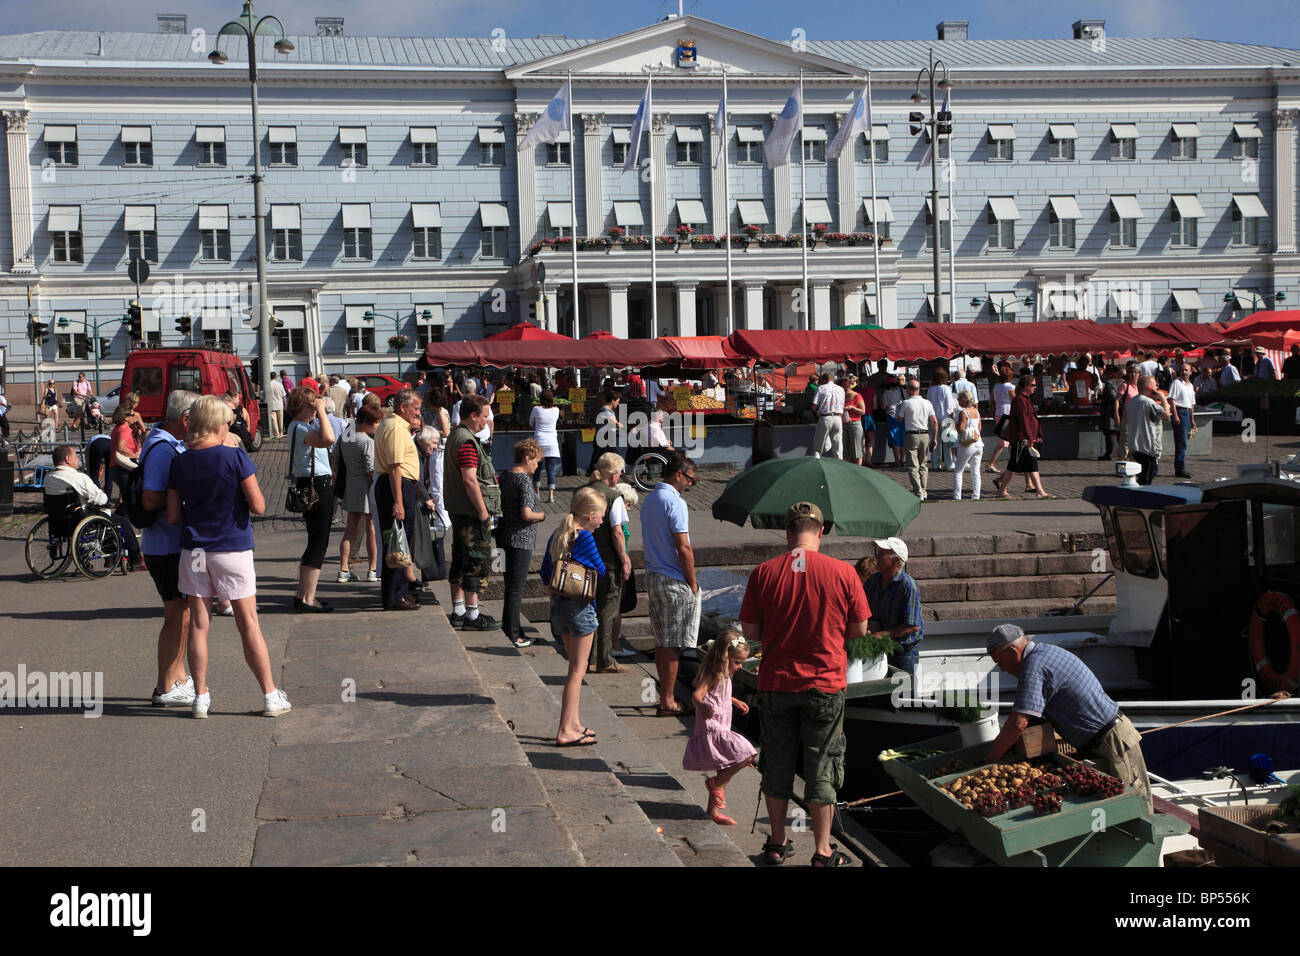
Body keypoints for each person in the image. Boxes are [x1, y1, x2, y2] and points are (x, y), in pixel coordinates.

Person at [738, 502, 870, 867]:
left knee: (777, 763)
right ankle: (823, 851)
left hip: (776, 682)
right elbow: (859, 630)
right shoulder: (844, 573)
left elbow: (750, 633)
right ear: (821, 531)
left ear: (787, 532)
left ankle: (777, 844)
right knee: (822, 765)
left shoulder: (763, 573)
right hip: (825, 684)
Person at [165, 395, 288, 719]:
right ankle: (270, 695)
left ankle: (201, 697)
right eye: (225, 422)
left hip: (194, 550)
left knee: (199, 626)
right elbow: (260, 505)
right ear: (216, 425)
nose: (228, 427)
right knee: (249, 625)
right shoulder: (235, 457)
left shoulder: (179, 462)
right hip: (231, 547)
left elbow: (173, 515)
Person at [984, 624, 1152, 812]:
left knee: (1134, 809)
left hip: (1113, 743)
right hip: (1103, 741)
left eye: (1000, 663)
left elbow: (1018, 722)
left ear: (1013, 651)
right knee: (1116, 808)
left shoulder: (1034, 668)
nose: (1003, 669)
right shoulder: (1047, 651)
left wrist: (991, 760)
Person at [139, 391, 202, 707]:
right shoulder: (163, 448)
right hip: (163, 544)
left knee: (183, 615)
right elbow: (151, 497)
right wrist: (185, 496)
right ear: (186, 419)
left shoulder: (166, 443)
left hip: (168, 543)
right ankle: (165, 685)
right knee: (177, 615)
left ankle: (176, 678)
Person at [539, 486, 608, 747]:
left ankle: (574, 723)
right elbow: (600, 569)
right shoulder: (585, 538)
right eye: (601, 515)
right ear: (590, 514)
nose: (602, 520)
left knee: (573, 669)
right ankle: (566, 730)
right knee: (578, 672)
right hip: (579, 608)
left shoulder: (559, 533)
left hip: (558, 607)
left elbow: (546, 572)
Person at [641, 452, 699, 717]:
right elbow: (683, 546)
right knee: (673, 643)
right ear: (678, 475)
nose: (691, 484)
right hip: (673, 579)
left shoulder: (651, 498)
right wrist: (693, 582)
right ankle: (668, 700)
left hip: (653, 575)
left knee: (662, 641)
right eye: (689, 479)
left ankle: (665, 695)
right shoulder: (675, 502)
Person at [684, 628, 757, 826]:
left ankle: (712, 811)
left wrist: (733, 700)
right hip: (713, 727)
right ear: (725, 657)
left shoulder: (725, 674)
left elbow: (720, 693)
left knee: (723, 766)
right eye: (738, 662)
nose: (740, 667)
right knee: (747, 753)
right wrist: (702, 706)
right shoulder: (713, 673)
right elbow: (696, 696)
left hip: (721, 725)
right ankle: (715, 784)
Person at [445, 394, 500, 630]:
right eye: (485, 416)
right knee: (475, 561)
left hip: (458, 508)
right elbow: (469, 479)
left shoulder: (455, 436)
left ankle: (458, 610)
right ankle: (472, 615)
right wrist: (482, 511)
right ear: (473, 415)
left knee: (459, 559)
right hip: (470, 511)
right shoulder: (467, 441)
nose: (487, 421)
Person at [43, 443, 144, 570]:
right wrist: (101, 496)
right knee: (120, 521)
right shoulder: (78, 477)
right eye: (75, 456)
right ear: (68, 459)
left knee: (103, 519)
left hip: (58, 522)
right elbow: (101, 499)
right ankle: (137, 560)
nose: (78, 459)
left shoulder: (48, 478)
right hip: (81, 520)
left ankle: (111, 557)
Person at [285, 385, 337, 612]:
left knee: (315, 541)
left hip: (312, 484)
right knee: (318, 543)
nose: (315, 408)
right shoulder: (300, 428)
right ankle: (308, 598)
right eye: (311, 405)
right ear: (301, 407)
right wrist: (323, 411)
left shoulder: (298, 427)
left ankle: (302, 594)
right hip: (317, 486)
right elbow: (328, 438)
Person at [580, 452, 633, 674]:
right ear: (613, 475)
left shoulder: (582, 491)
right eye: (619, 472)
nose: (620, 476)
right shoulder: (614, 497)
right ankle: (604, 659)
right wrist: (625, 560)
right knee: (607, 611)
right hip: (608, 562)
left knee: (588, 608)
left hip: (584, 560)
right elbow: (617, 533)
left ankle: (588, 657)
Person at [374, 388, 424, 612]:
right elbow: (395, 466)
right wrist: (399, 501)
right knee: (397, 541)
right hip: (397, 486)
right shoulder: (395, 427)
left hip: (398, 485)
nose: (418, 413)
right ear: (403, 407)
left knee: (399, 540)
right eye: (415, 409)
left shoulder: (396, 424)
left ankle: (400, 592)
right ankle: (395, 596)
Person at [499, 438, 546, 647]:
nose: (536, 466)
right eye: (536, 462)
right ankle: (514, 633)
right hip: (521, 540)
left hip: (503, 537)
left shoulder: (505, 476)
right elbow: (527, 514)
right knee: (517, 588)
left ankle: (508, 626)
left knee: (509, 586)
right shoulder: (524, 481)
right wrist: (542, 515)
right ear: (527, 458)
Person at [861, 537, 924, 687]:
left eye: (881, 553)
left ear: (896, 561)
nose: (876, 557)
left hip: (903, 653)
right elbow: (863, 609)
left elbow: (913, 626)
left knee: (903, 698)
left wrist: (881, 634)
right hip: (878, 650)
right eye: (878, 552)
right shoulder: (873, 580)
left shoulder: (908, 586)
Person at [337, 404, 381, 584]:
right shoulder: (367, 442)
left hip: (350, 485)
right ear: (366, 422)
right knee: (371, 529)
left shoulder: (346, 437)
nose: (377, 426)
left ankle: (343, 569)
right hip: (365, 487)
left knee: (350, 530)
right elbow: (371, 470)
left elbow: (336, 457)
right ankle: (372, 569)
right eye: (375, 422)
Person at [994, 374, 1051, 499]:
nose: (1035, 387)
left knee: (1032, 465)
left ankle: (1040, 491)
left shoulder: (1025, 399)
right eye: (1033, 385)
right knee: (1013, 465)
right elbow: (1023, 420)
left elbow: (1031, 420)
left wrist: (1037, 434)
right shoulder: (1019, 400)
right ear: (1026, 385)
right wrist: (1029, 437)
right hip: (1021, 438)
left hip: (1026, 438)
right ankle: (1002, 490)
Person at [611, 481, 640, 659]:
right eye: (628, 505)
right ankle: (615, 645)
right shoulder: (617, 521)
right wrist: (625, 561)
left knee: (618, 607)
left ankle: (614, 643)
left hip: (621, 562)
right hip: (619, 564)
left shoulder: (620, 519)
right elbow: (618, 537)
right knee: (617, 609)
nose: (629, 509)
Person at [1127, 374, 1171, 486]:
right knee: (1149, 474)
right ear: (1150, 388)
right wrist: (1162, 397)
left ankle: (1139, 490)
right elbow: (1166, 414)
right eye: (1155, 386)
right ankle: (1140, 496)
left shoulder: (1132, 401)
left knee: (1145, 474)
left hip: (1135, 445)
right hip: (1147, 446)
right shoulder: (1148, 403)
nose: (1157, 388)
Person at [898, 378, 937, 501]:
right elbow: (934, 421)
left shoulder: (906, 403)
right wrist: (934, 438)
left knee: (912, 465)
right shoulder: (927, 403)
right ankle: (924, 491)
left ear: (909, 390)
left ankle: (918, 491)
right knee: (923, 464)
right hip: (925, 434)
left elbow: (899, 418)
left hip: (912, 434)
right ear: (918, 389)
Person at [529, 388, 562, 503]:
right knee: (551, 470)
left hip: (539, 442)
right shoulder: (556, 410)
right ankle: (551, 496)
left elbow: (531, 423)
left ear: (541, 399)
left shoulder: (536, 409)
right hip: (552, 442)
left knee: (537, 469)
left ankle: (537, 494)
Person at [952, 390, 983, 500]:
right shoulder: (976, 411)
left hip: (966, 444)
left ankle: (957, 495)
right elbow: (979, 428)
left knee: (958, 471)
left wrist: (953, 421)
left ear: (964, 400)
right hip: (978, 443)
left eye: (959, 398)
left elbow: (960, 429)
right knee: (976, 471)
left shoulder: (963, 412)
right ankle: (976, 495)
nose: (958, 400)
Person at [985, 364, 1015, 472]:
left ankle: (1015, 462)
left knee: (1009, 439)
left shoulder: (997, 386)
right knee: (1004, 441)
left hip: (998, 412)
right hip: (1007, 413)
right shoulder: (1010, 387)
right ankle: (991, 463)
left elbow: (992, 399)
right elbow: (1015, 401)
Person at [1169, 363, 1197, 479]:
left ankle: (1180, 467)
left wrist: (1192, 419)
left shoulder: (1190, 385)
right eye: (1182, 370)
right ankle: (1180, 469)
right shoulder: (1176, 383)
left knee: (1184, 442)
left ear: (1190, 372)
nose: (1184, 372)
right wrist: (1175, 415)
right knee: (1181, 443)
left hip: (1187, 412)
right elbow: (1171, 399)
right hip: (1180, 412)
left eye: (1186, 370)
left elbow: (1191, 404)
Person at [109, 402, 141, 504]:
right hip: (123, 468)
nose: (134, 417)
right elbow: (121, 448)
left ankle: (122, 518)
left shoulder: (117, 428)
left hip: (114, 466)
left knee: (127, 498)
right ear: (126, 417)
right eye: (132, 415)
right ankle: (125, 519)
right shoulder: (125, 429)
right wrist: (136, 456)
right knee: (131, 499)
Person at [926, 368, 957, 471]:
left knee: (935, 440)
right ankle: (949, 463)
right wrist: (952, 414)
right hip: (945, 417)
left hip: (933, 417)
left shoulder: (931, 389)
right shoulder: (946, 388)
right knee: (947, 441)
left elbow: (928, 402)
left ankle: (935, 463)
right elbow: (949, 404)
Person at [811, 372, 845, 459]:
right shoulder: (841, 389)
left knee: (818, 445)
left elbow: (814, 405)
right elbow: (842, 405)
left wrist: (817, 412)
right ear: (833, 379)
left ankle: (817, 463)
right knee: (838, 446)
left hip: (825, 418)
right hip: (838, 418)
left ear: (824, 380)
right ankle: (839, 464)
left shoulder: (821, 388)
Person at [1096, 366, 1122, 461]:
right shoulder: (1121, 382)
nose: (1106, 374)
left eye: (1108, 372)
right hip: (1116, 411)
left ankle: (1111, 453)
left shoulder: (1111, 383)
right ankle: (1110, 453)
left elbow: (1114, 397)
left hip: (1110, 412)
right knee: (1112, 433)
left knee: (1110, 433)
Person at [842, 375, 867, 466]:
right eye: (842, 386)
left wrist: (852, 408)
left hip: (855, 424)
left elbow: (863, 411)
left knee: (857, 450)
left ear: (849, 386)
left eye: (845, 387)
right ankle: (846, 471)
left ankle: (858, 470)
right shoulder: (841, 396)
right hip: (843, 424)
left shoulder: (857, 396)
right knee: (845, 451)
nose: (843, 389)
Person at [266, 371, 286, 439]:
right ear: (276, 377)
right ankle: (281, 433)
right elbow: (284, 396)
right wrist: (285, 404)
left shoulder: (268, 385)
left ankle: (276, 434)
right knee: (280, 420)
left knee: (274, 421)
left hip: (271, 405)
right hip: (279, 404)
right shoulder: (280, 384)